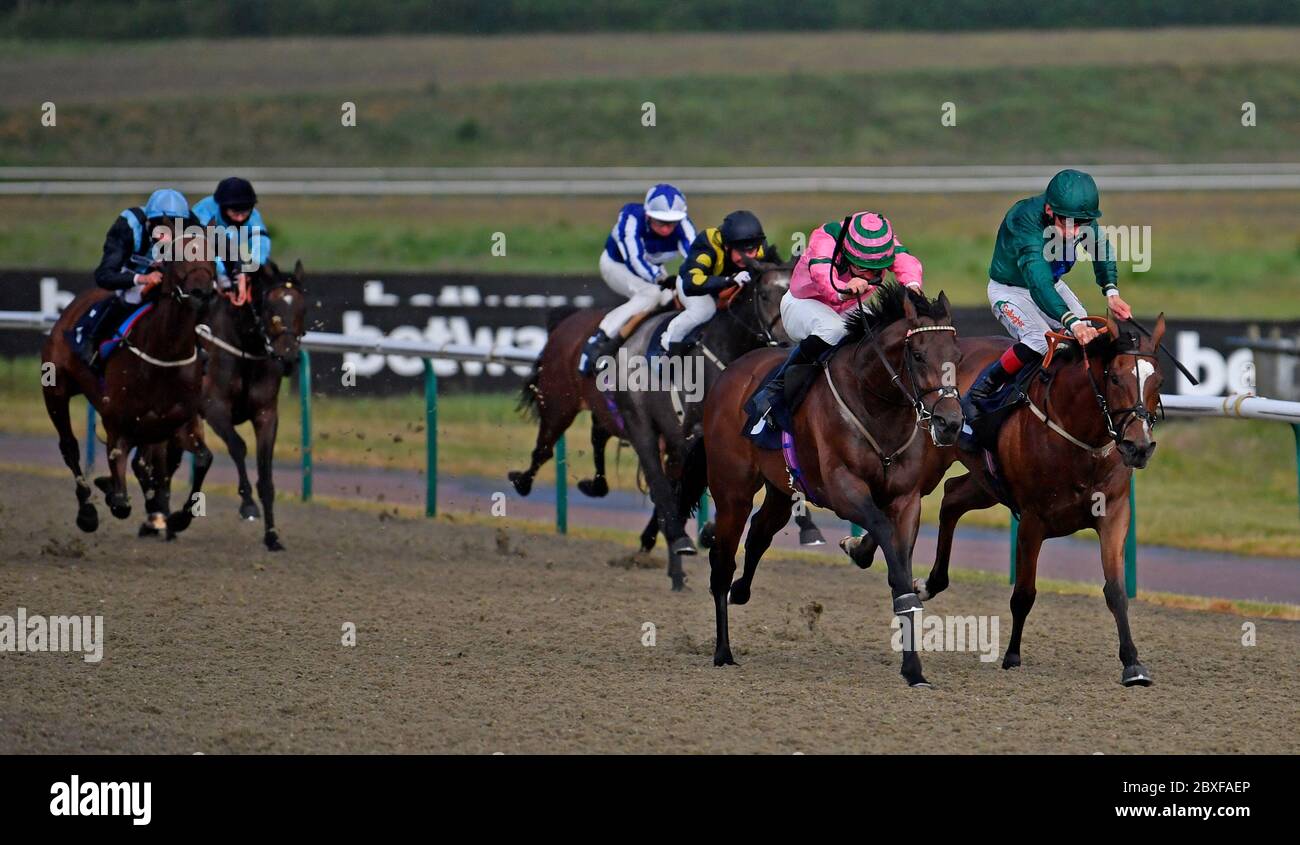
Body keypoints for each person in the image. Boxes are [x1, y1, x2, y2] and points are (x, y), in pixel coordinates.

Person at [965, 168, 1133, 408]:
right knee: (1041, 341)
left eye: (1082, 224)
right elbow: (1039, 284)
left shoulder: (1074, 215)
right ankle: (983, 388)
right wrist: (1071, 323)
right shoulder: (1024, 220)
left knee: (1086, 334)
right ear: (1049, 210)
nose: (1075, 232)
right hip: (1011, 291)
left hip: (1052, 284)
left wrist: (1112, 293)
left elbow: (1101, 250)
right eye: (1068, 224)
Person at [747, 211, 921, 433]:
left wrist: (913, 285)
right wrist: (844, 291)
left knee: (879, 333)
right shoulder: (824, 238)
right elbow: (822, 276)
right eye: (864, 269)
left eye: (877, 270)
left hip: (844, 308)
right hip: (801, 303)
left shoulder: (881, 241)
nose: (871, 277)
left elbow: (905, 261)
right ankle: (774, 389)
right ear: (848, 253)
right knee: (834, 329)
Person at [578, 184, 695, 375]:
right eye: (660, 222)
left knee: (670, 300)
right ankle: (601, 337)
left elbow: (695, 257)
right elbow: (634, 259)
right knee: (651, 295)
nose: (667, 229)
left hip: (652, 270)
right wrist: (659, 278)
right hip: (617, 265)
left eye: (672, 223)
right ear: (648, 215)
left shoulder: (684, 226)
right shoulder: (631, 218)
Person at [72, 188, 196, 368]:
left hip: (167, 275)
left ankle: (199, 347)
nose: (167, 234)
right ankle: (92, 342)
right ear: (149, 222)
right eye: (160, 226)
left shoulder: (191, 223)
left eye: (174, 227)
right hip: (130, 272)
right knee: (132, 296)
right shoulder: (128, 225)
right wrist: (142, 279)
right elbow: (104, 275)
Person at [651, 210, 780, 363]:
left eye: (751, 251)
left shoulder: (759, 248)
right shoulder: (707, 244)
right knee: (704, 310)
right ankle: (666, 346)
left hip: (729, 285)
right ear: (726, 246)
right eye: (741, 252)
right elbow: (691, 282)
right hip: (693, 286)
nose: (748, 257)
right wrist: (728, 280)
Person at [192, 176, 271, 301]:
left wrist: (249, 269)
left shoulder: (254, 215)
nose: (240, 219)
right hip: (206, 254)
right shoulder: (203, 211)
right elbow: (204, 246)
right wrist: (223, 274)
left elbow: (261, 241)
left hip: (238, 251)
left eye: (244, 214)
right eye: (235, 213)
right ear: (222, 207)